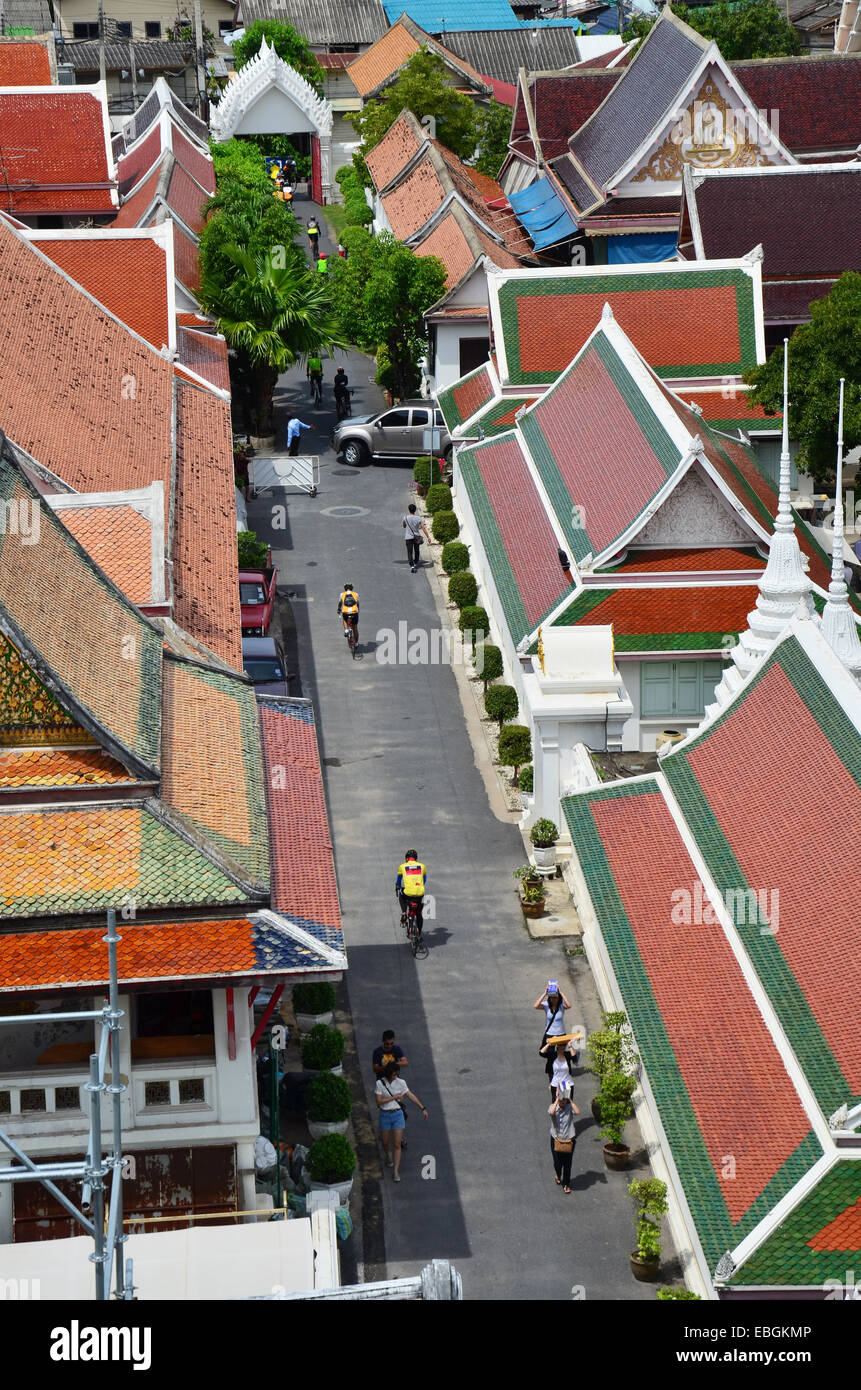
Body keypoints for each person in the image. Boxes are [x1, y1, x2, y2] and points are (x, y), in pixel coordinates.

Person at [375, 1060, 427, 1182]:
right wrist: (395, 1097)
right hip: (385, 1115)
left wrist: (422, 1108)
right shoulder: (380, 1083)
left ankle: (396, 1171)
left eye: (397, 1074)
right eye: (394, 1074)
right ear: (388, 1074)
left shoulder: (401, 1082)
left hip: (397, 1114)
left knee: (397, 1144)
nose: (396, 1076)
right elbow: (379, 1101)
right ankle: (388, 1155)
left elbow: (410, 1095)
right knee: (385, 1142)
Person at [549, 1083, 579, 1194]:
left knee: (567, 1163)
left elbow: (577, 1112)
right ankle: (558, 1173)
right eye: (561, 1101)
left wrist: (570, 1100)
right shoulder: (554, 1107)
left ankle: (566, 1184)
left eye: (563, 1101)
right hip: (556, 1139)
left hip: (568, 1140)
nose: (562, 1103)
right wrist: (557, 1100)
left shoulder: (569, 1107)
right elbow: (551, 1112)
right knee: (557, 1162)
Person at [534, 980, 572, 1049]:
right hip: (550, 1033)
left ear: (558, 997)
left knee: (561, 1051)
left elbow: (569, 1005)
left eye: (555, 997)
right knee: (550, 1054)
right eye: (551, 997)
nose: (553, 999)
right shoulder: (546, 1005)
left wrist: (561, 992)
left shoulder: (561, 1005)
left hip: (561, 1033)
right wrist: (544, 993)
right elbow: (536, 1006)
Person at [395, 850, 427, 934]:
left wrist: (397, 886)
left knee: (401, 893)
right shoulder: (422, 866)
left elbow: (398, 881)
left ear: (406, 858)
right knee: (419, 914)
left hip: (408, 893)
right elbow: (424, 880)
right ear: (415, 859)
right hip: (419, 893)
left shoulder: (402, 866)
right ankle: (419, 933)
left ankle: (404, 913)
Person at [540, 1036, 580, 1100]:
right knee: (556, 1103)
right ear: (557, 1046)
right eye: (560, 1045)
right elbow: (541, 1053)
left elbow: (574, 1057)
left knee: (568, 1102)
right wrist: (550, 1043)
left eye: (564, 1045)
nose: (562, 1047)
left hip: (567, 1083)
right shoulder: (552, 1055)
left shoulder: (567, 1054)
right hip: (556, 1083)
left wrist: (570, 1046)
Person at [402, 503, 430, 573]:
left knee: (409, 552)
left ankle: (412, 566)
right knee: (417, 550)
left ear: (409, 510)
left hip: (408, 537)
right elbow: (423, 528)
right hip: (416, 537)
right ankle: (415, 562)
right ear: (415, 510)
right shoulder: (418, 518)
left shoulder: (405, 518)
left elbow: (404, 526)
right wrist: (428, 536)